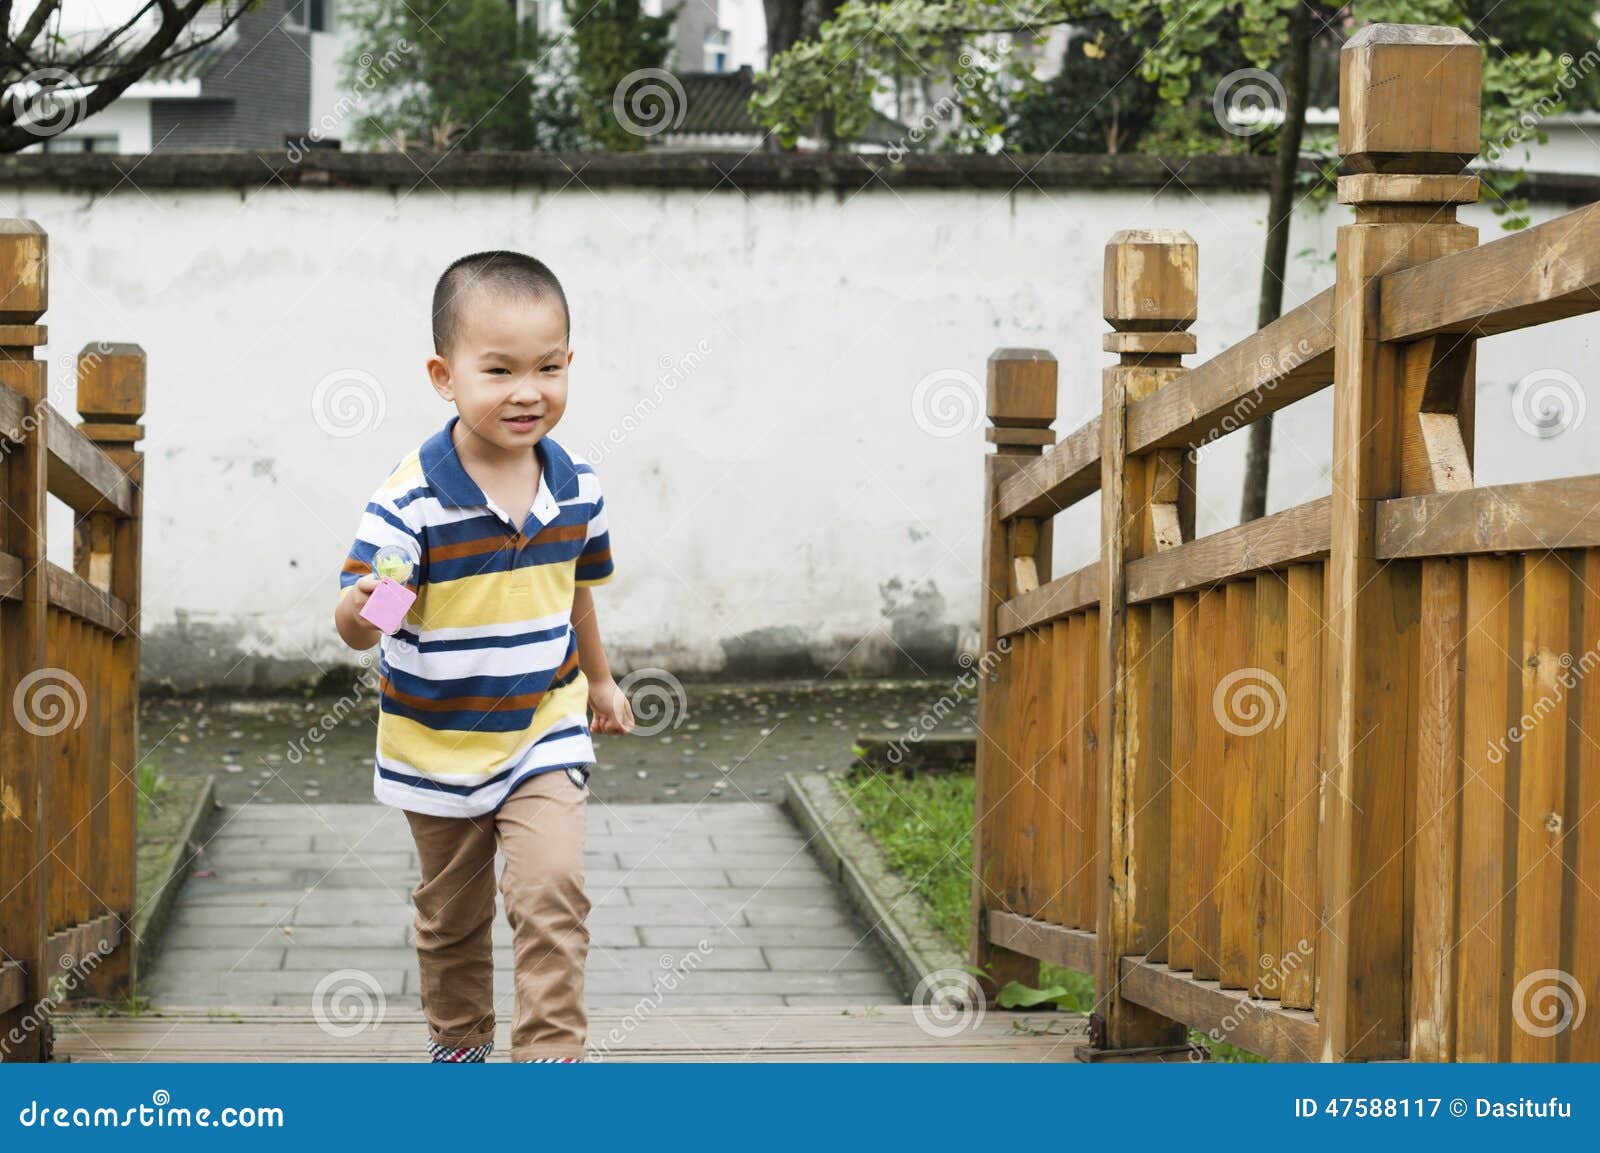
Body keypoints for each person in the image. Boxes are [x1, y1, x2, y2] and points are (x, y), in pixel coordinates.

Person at [334, 251, 633, 1062]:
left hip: (545, 725)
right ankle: (461, 1047)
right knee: (453, 915)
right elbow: (367, 628)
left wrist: (600, 678)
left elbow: (576, 587)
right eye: (499, 370)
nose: (528, 391)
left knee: (551, 891)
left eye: (548, 368)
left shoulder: (578, 487)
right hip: (437, 742)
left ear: (570, 364)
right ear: (445, 375)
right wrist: (369, 605)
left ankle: (549, 1059)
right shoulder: (411, 502)